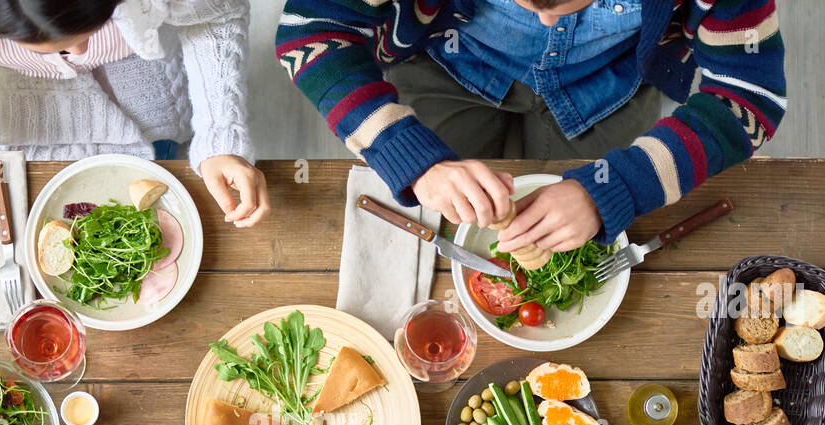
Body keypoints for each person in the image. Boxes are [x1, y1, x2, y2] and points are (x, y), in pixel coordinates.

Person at [276, 0, 784, 250]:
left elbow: (749, 98)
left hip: (612, 78)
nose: (547, 23)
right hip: (449, 62)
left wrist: (617, 187)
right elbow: (312, 35)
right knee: (446, 218)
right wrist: (412, 160)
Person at [0, 0, 269, 227]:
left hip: (137, 86)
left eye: (91, 31)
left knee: (156, 191)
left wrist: (220, 132)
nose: (78, 54)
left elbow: (218, 13)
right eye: (50, 44)